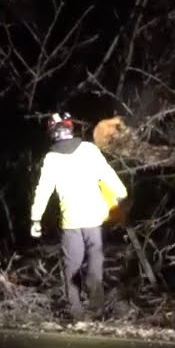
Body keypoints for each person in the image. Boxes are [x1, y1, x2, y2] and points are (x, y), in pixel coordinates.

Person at [28, 112, 129, 320]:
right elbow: (107, 173)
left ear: (52, 133)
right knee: (95, 267)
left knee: (72, 268)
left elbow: (43, 190)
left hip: (72, 222)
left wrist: (36, 218)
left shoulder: (52, 159)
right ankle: (95, 311)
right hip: (94, 219)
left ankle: (77, 314)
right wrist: (121, 193)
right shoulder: (88, 150)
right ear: (70, 128)